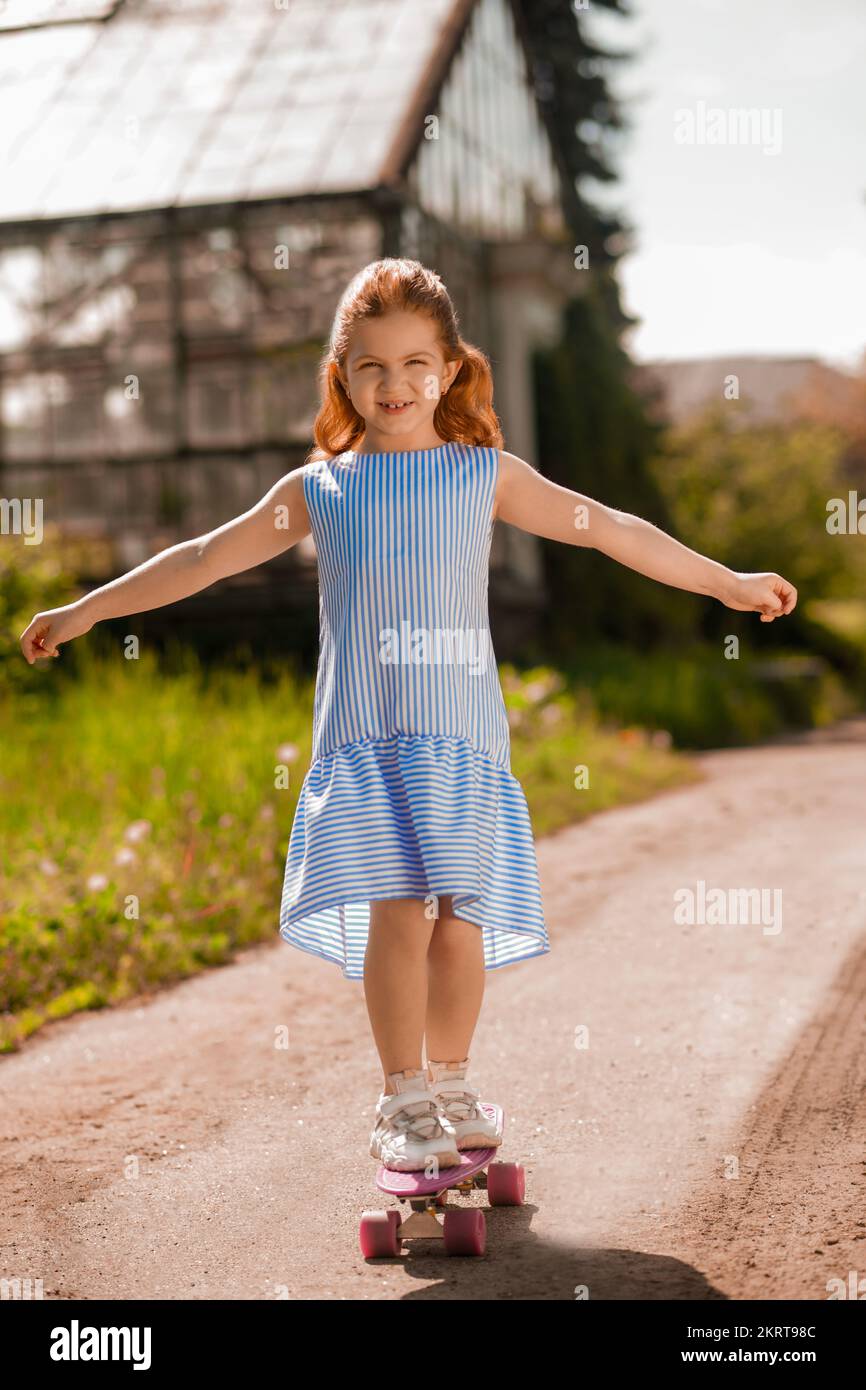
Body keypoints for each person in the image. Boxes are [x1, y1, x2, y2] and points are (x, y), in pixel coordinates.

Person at [19, 257, 798, 1173]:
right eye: (372, 367)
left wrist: (728, 582)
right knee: (397, 910)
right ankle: (402, 1097)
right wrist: (84, 609)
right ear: (341, 376)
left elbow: (608, 525)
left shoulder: (483, 474)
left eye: (416, 363)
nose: (395, 386)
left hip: (461, 737)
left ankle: (455, 1082)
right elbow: (200, 557)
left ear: (453, 369)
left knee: (459, 918)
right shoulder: (320, 489)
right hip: (367, 740)